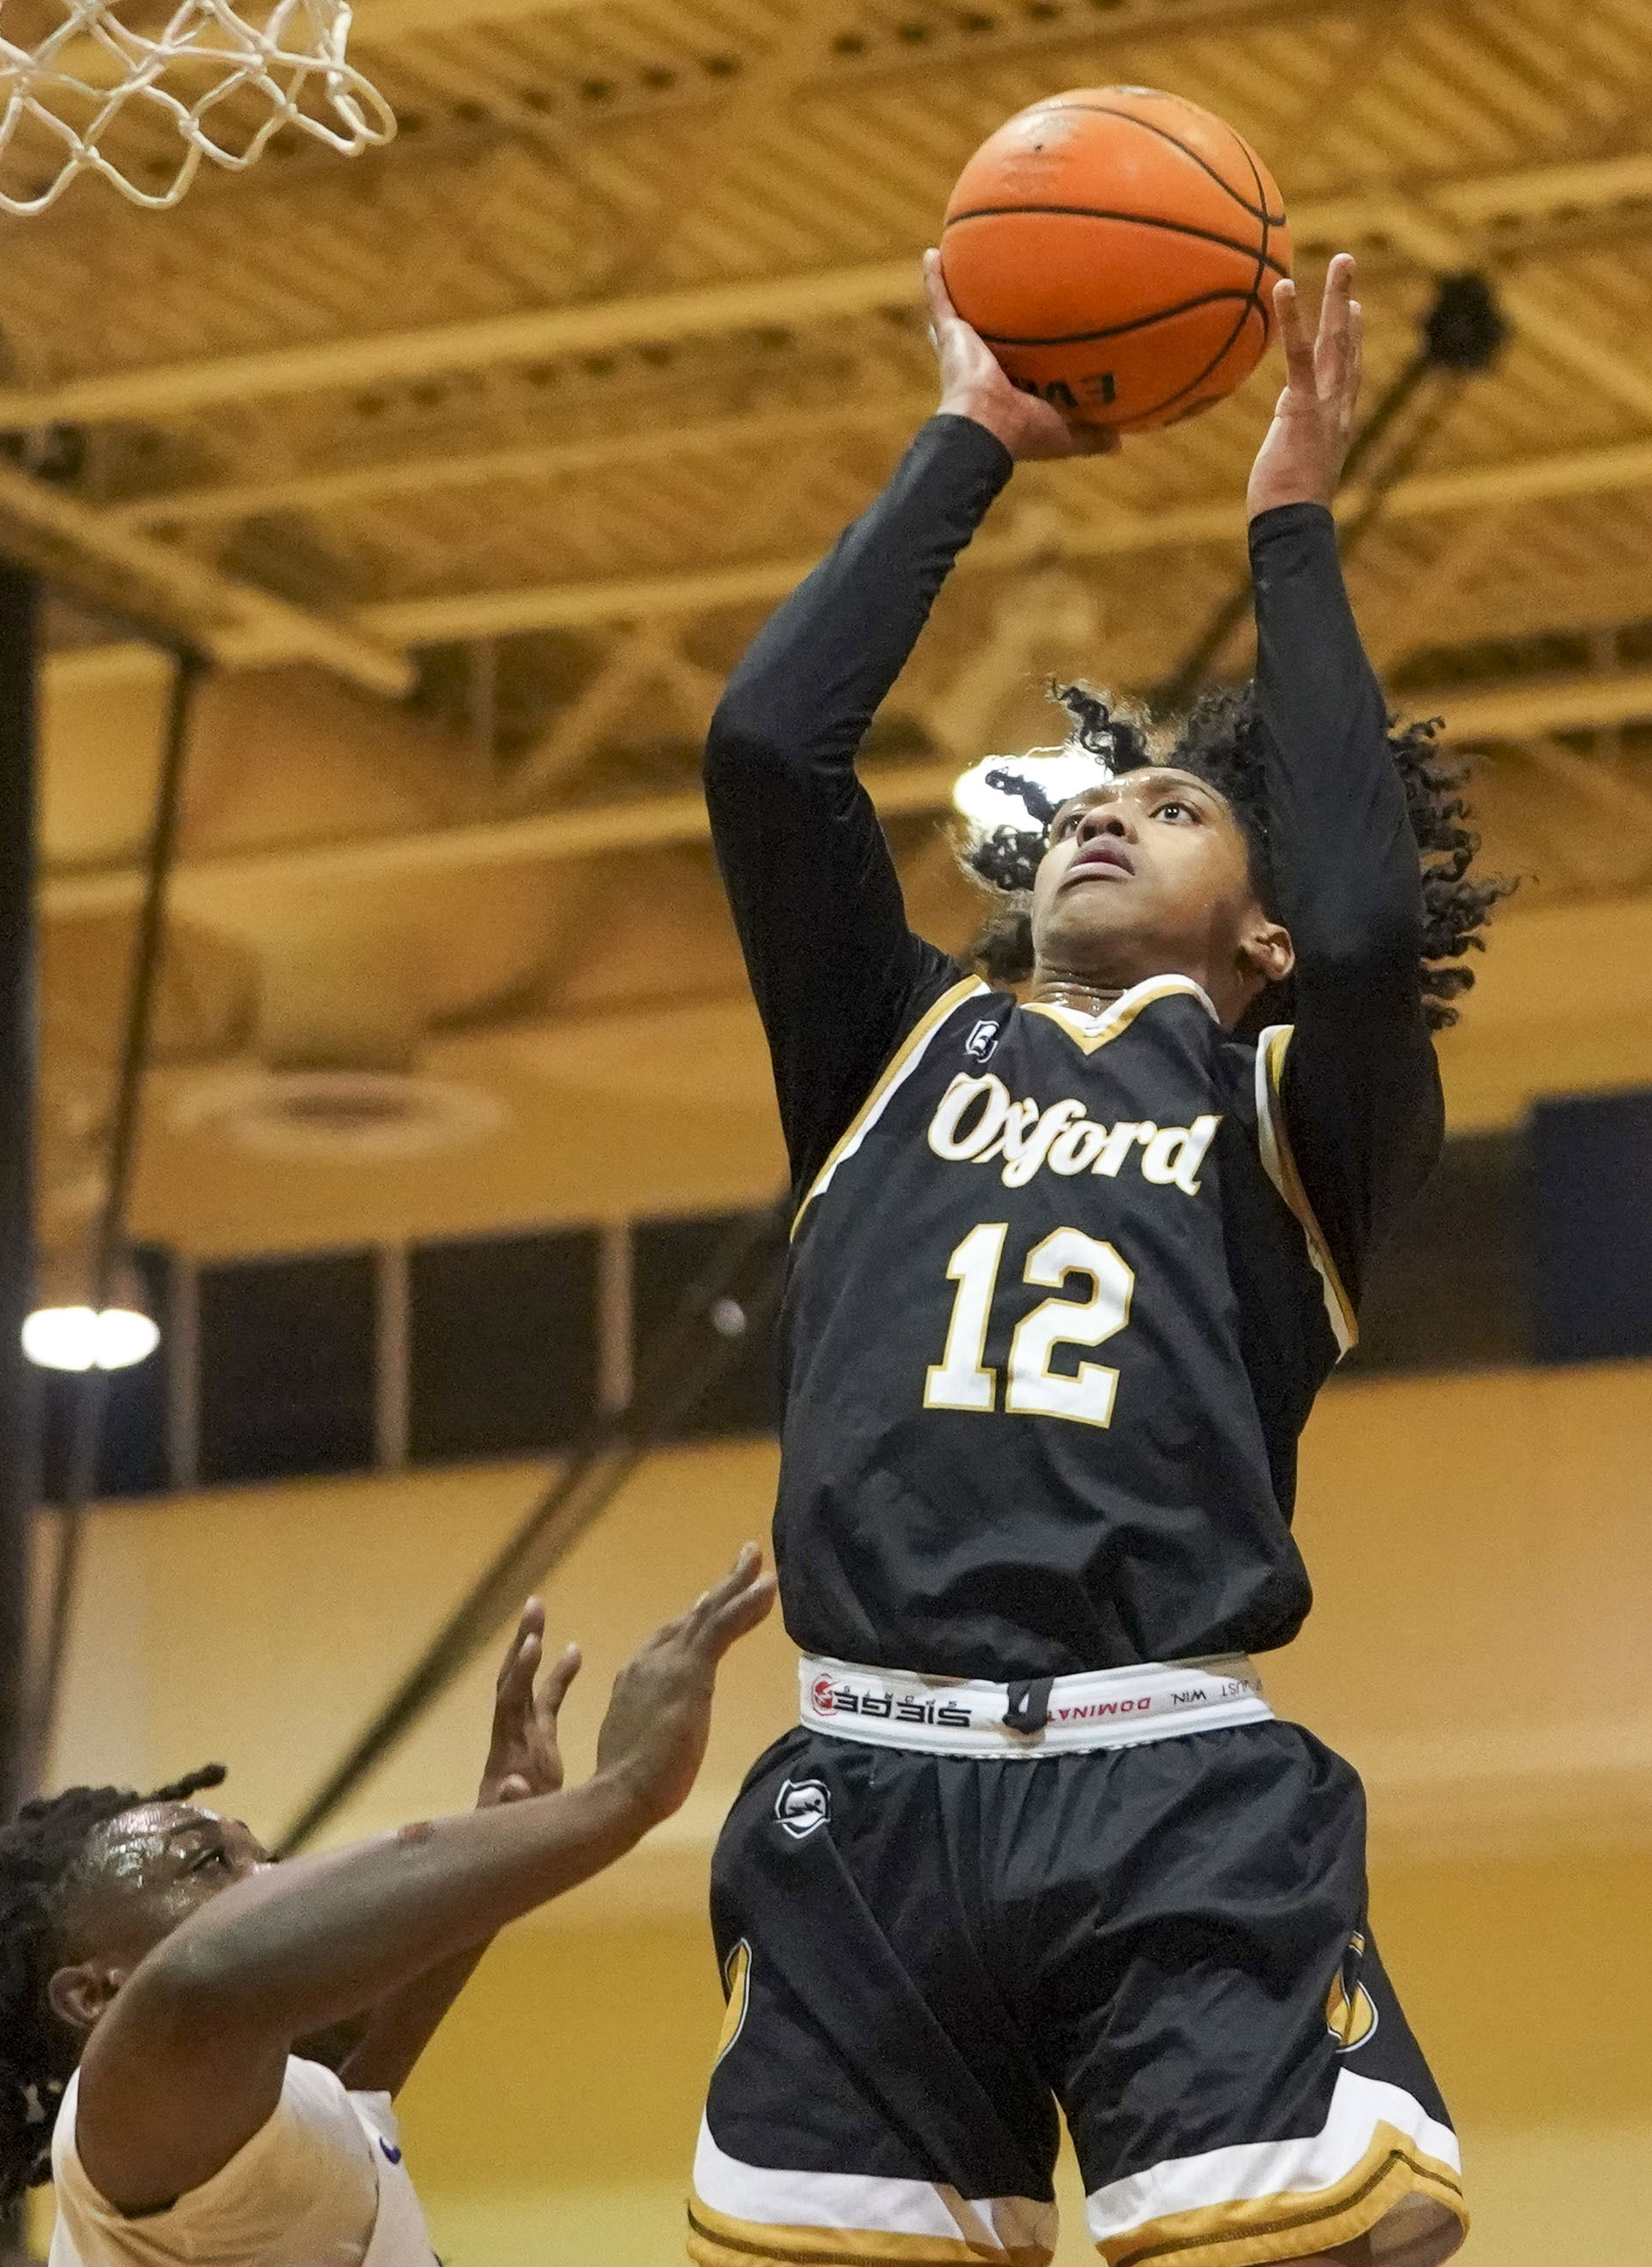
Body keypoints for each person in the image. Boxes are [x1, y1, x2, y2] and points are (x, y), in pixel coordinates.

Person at [689, 252, 1506, 2267]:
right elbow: (764, 750)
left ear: (1269, 934)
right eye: (1092, 796)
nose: (1103, 817)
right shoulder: (886, 1049)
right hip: (865, 1780)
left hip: (1161, 1780)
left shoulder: (1295, 1113)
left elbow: (1382, 936)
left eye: (1171, 805)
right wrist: (971, 435)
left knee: (1345, 2241)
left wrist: (1289, 523)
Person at [0, 1546, 776, 2263]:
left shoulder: (244, 2131)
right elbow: (206, 1979)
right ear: (95, 1991)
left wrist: (499, 1830)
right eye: (208, 1861)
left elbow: (355, 2099)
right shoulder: (121, 2100)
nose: (272, 1880)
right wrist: (621, 1799)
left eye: (267, 1857)